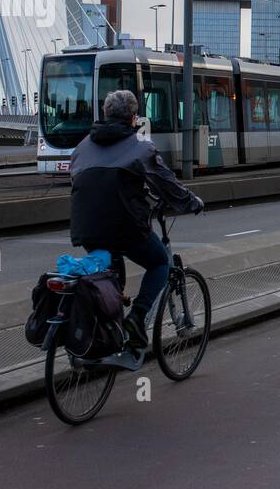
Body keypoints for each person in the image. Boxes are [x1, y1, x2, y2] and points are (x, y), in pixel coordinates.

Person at [69, 89, 205, 358]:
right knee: (159, 263)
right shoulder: (140, 147)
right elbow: (167, 184)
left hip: (85, 228)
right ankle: (136, 319)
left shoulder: (82, 146)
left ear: (105, 114)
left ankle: (110, 332)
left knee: (109, 277)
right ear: (133, 119)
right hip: (125, 227)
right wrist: (193, 203)